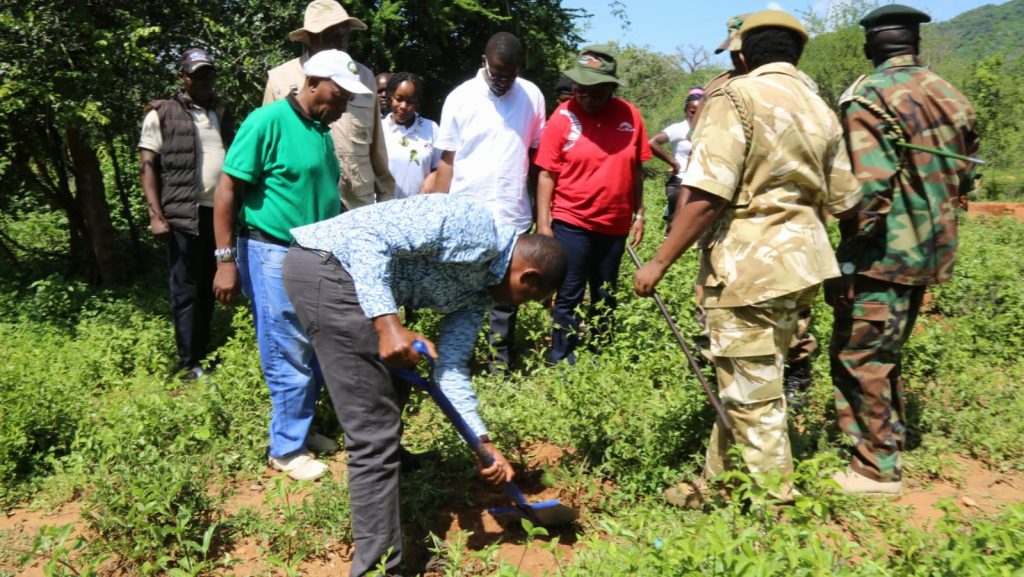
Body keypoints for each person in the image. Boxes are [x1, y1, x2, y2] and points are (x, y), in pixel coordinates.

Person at [633, 10, 862, 508]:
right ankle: (718, 484)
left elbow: (706, 192)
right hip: (803, 266)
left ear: (740, 54)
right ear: (796, 54)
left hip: (749, 268)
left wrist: (657, 263)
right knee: (749, 380)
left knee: (753, 396)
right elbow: (847, 201)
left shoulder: (735, 97)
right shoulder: (820, 108)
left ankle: (774, 511)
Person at [282, 194, 567, 576]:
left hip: (350, 281)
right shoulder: (475, 228)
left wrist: (483, 442)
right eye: (528, 299)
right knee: (372, 434)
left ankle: (393, 465)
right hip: (326, 267)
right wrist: (388, 325)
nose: (518, 306)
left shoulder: (477, 296)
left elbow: (450, 369)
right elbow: (368, 237)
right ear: (527, 277)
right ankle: (381, 569)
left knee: (394, 378)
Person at [828, 4, 979, 496]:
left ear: (871, 45)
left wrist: (848, 257)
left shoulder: (869, 96)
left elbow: (869, 191)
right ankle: (893, 436)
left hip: (886, 253)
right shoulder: (950, 94)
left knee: (861, 355)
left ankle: (876, 468)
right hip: (933, 250)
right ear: (912, 43)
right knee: (887, 350)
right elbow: (967, 174)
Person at [213, 50, 371, 481]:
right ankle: (285, 449)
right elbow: (227, 190)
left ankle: (298, 428)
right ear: (314, 81)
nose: (342, 107)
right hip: (271, 253)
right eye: (338, 96)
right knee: (287, 352)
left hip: (313, 254)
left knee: (314, 347)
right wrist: (225, 260)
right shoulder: (266, 122)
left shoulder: (319, 128)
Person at [433, 32, 546, 374]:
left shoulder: (532, 95)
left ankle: (500, 364)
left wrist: (543, 220)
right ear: (484, 61)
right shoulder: (460, 98)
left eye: (510, 75)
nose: (503, 82)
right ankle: (456, 363)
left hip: (512, 212)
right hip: (467, 212)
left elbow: (538, 156)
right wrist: (437, 210)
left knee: (507, 295)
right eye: (497, 74)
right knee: (462, 290)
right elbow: (448, 161)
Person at [535, 45, 651, 365]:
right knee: (569, 291)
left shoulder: (630, 115)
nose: (584, 94)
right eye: (578, 87)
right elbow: (547, 173)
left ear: (610, 88)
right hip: (571, 220)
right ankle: (562, 357)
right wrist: (544, 225)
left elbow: (637, 170)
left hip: (614, 224)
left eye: (594, 89)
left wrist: (639, 214)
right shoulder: (563, 116)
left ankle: (601, 353)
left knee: (604, 294)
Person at [139, 48, 234, 381]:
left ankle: (203, 351)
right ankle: (189, 361)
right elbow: (147, 166)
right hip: (183, 214)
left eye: (209, 75)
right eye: (197, 75)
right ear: (183, 77)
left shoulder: (221, 111)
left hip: (218, 214)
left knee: (212, 284)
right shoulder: (162, 112)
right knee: (186, 288)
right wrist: (156, 214)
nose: (204, 81)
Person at [264, 0, 395, 209]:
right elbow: (266, 147)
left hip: (355, 204)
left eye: (344, 34)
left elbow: (376, 148)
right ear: (309, 38)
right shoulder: (280, 79)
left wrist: (387, 197)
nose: (340, 42)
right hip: (302, 202)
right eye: (331, 34)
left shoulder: (363, 77)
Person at [648, 87, 704, 232]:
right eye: (692, 112)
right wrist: (673, 162)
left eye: (700, 112)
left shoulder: (710, 129)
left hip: (701, 183)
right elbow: (652, 143)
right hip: (680, 182)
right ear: (686, 110)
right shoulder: (678, 129)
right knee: (676, 225)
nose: (695, 115)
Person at [382, 72, 441, 199]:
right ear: (391, 96)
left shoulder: (431, 128)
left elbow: (441, 167)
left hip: (419, 209)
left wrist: (433, 176)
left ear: (417, 103)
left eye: (410, 102)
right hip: (383, 209)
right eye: (399, 99)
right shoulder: (379, 129)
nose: (403, 106)